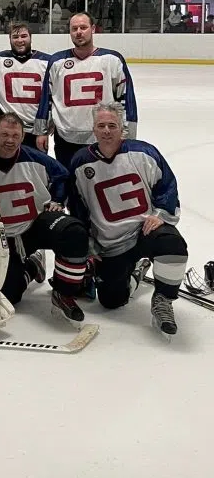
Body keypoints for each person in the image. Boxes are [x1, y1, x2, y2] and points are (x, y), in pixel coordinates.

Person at [69, 103, 188, 336]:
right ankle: (136, 273)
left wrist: (160, 214)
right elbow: (78, 208)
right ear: (93, 129)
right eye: (101, 125)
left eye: (112, 125)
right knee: (111, 301)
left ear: (121, 128)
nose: (106, 131)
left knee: (172, 245)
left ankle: (163, 300)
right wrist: (89, 245)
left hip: (144, 230)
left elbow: (166, 186)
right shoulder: (81, 163)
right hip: (111, 243)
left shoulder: (144, 153)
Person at [0, 112, 87, 321]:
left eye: (15, 135)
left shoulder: (37, 158)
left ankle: (63, 291)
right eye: (5, 134)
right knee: (8, 294)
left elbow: (62, 176)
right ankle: (33, 265)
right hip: (1, 238)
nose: (10, 140)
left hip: (35, 226)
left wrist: (58, 200)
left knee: (74, 232)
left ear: (23, 136)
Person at [34, 13, 138, 169]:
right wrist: (41, 131)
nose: (79, 32)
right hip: (65, 137)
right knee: (69, 184)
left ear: (93, 29)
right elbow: (46, 98)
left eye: (83, 27)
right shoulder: (56, 61)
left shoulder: (112, 60)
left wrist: (128, 136)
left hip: (103, 135)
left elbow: (126, 98)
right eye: (74, 28)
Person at [0, 22, 51, 148]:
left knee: (33, 167)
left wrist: (46, 127)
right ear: (9, 39)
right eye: (15, 37)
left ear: (31, 37)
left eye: (24, 36)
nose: (20, 40)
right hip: (1, 128)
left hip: (35, 131)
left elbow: (53, 98)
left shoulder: (47, 63)